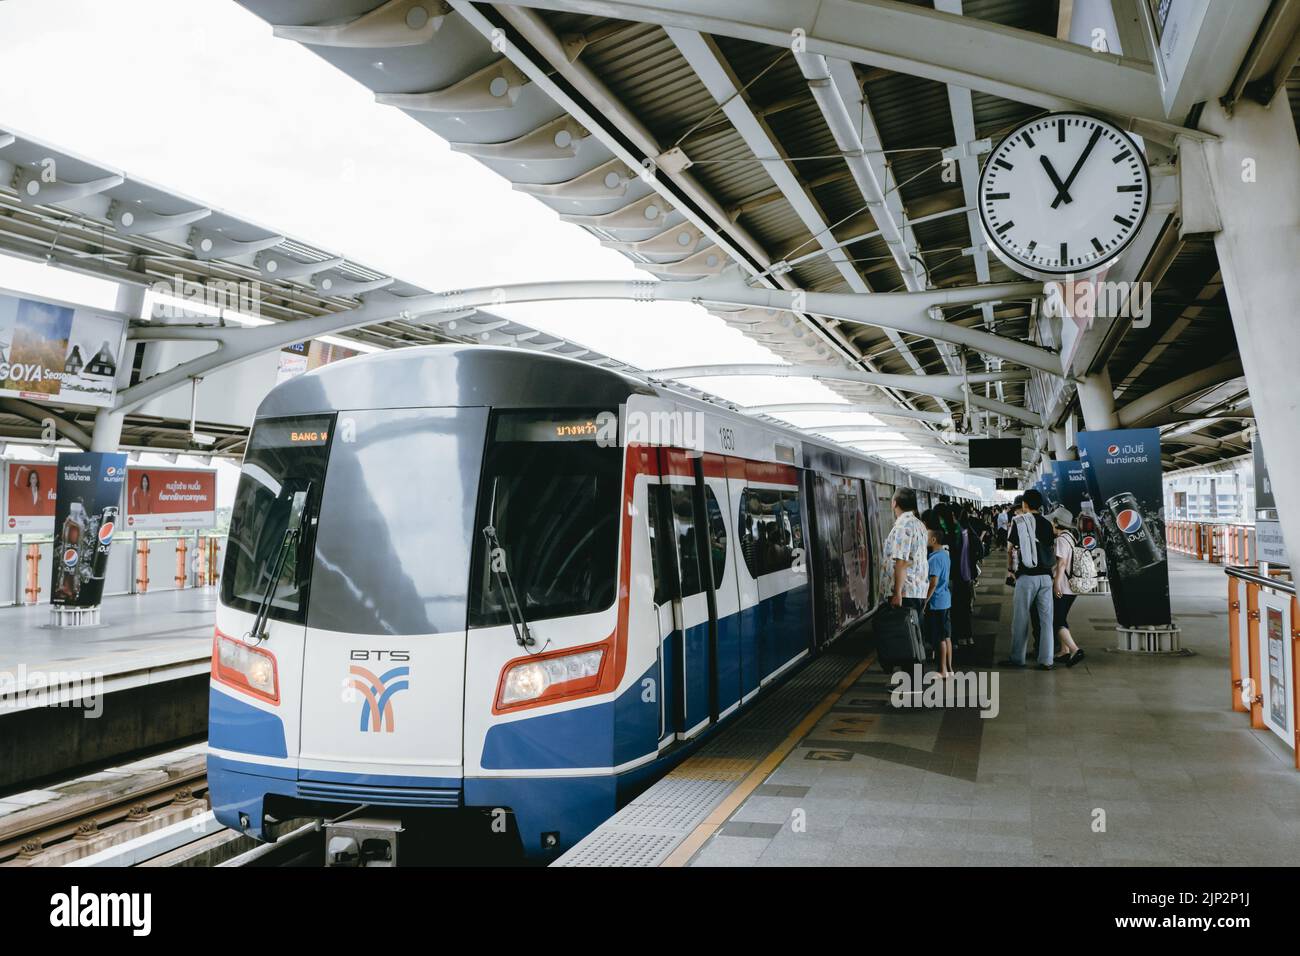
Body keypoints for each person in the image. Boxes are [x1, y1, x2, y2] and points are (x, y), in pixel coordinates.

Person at [1000, 489, 1057, 670]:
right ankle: (1046, 659)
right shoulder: (1049, 524)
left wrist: (1010, 570)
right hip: (1046, 578)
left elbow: (1010, 550)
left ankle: (1018, 658)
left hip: (1026, 577)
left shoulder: (1019, 522)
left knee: (1021, 618)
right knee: (1046, 620)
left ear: (1025, 504)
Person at [880, 487, 929, 625]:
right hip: (917, 590)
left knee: (903, 639)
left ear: (894, 503)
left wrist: (897, 594)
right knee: (914, 636)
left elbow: (901, 562)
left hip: (905, 593)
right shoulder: (919, 525)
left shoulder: (903, 525)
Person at [1048, 506, 1086, 667]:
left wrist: (1056, 584)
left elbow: (1061, 563)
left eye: (1052, 521)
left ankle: (1075, 649)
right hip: (1071, 586)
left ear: (1056, 522)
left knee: (1057, 620)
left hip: (1063, 586)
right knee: (1061, 617)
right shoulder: (1071, 536)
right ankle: (1064, 651)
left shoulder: (1061, 540)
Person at [924, 527, 953, 677]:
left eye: (927, 536)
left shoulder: (934, 559)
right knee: (947, 636)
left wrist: (925, 601)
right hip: (946, 600)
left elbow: (933, 582)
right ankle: (949, 669)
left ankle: (942, 671)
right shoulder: (945, 554)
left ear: (933, 540)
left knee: (939, 638)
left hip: (937, 603)